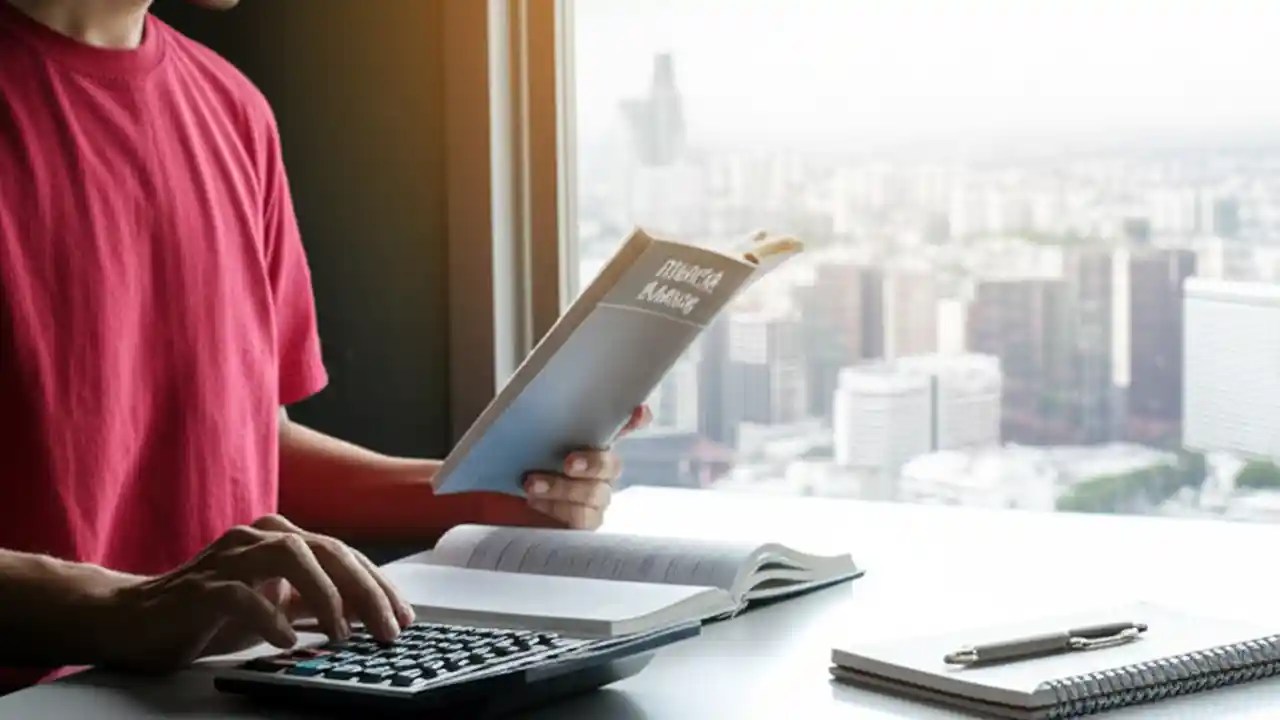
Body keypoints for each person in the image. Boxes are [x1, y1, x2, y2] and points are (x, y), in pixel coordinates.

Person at [0, 0, 650, 690]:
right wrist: (118, 607)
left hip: (218, 690)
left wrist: (491, 494)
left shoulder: (232, 109)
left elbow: (244, 446)